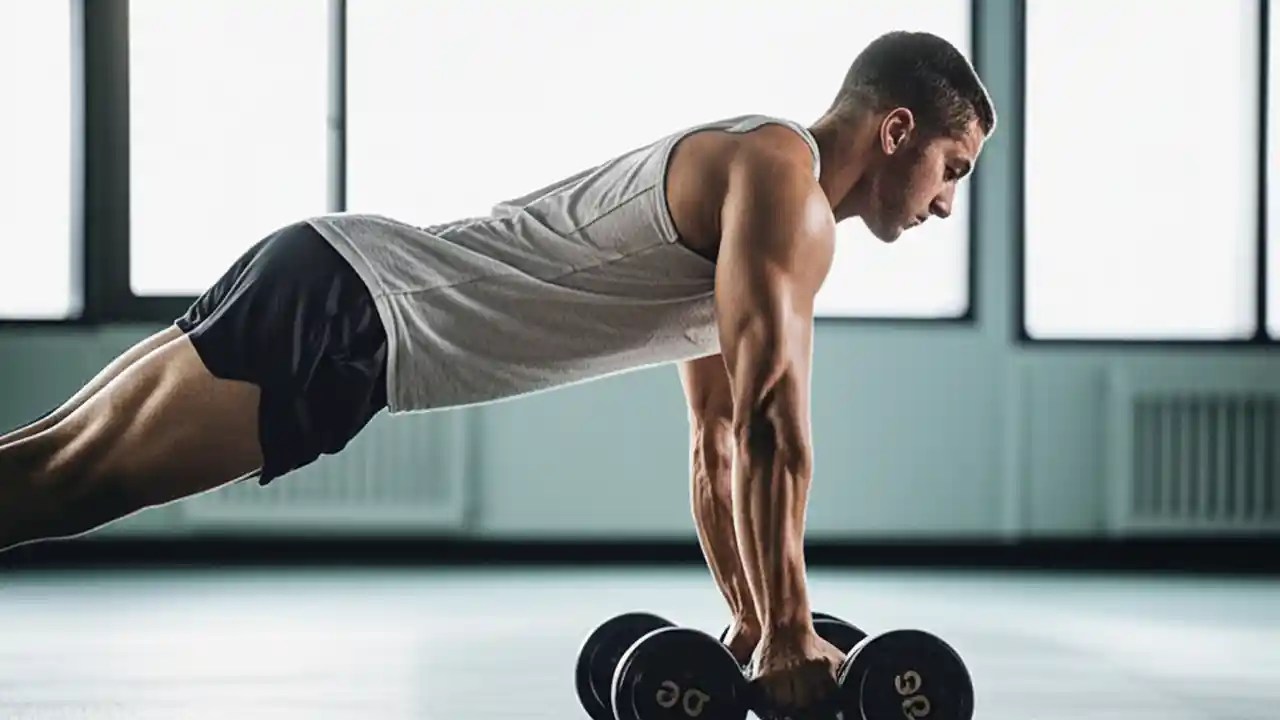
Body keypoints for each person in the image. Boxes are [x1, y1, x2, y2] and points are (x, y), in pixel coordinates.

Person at [0, 30, 994, 715]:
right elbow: (775, 424)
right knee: (63, 489)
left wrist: (751, 619)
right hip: (356, 318)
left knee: (38, 467)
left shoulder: (754, 181)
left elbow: (717, 446)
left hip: (330, 273)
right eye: (953, 166)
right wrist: (786, 635)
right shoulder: (788, 196)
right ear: (896, 129)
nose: (948, 203)